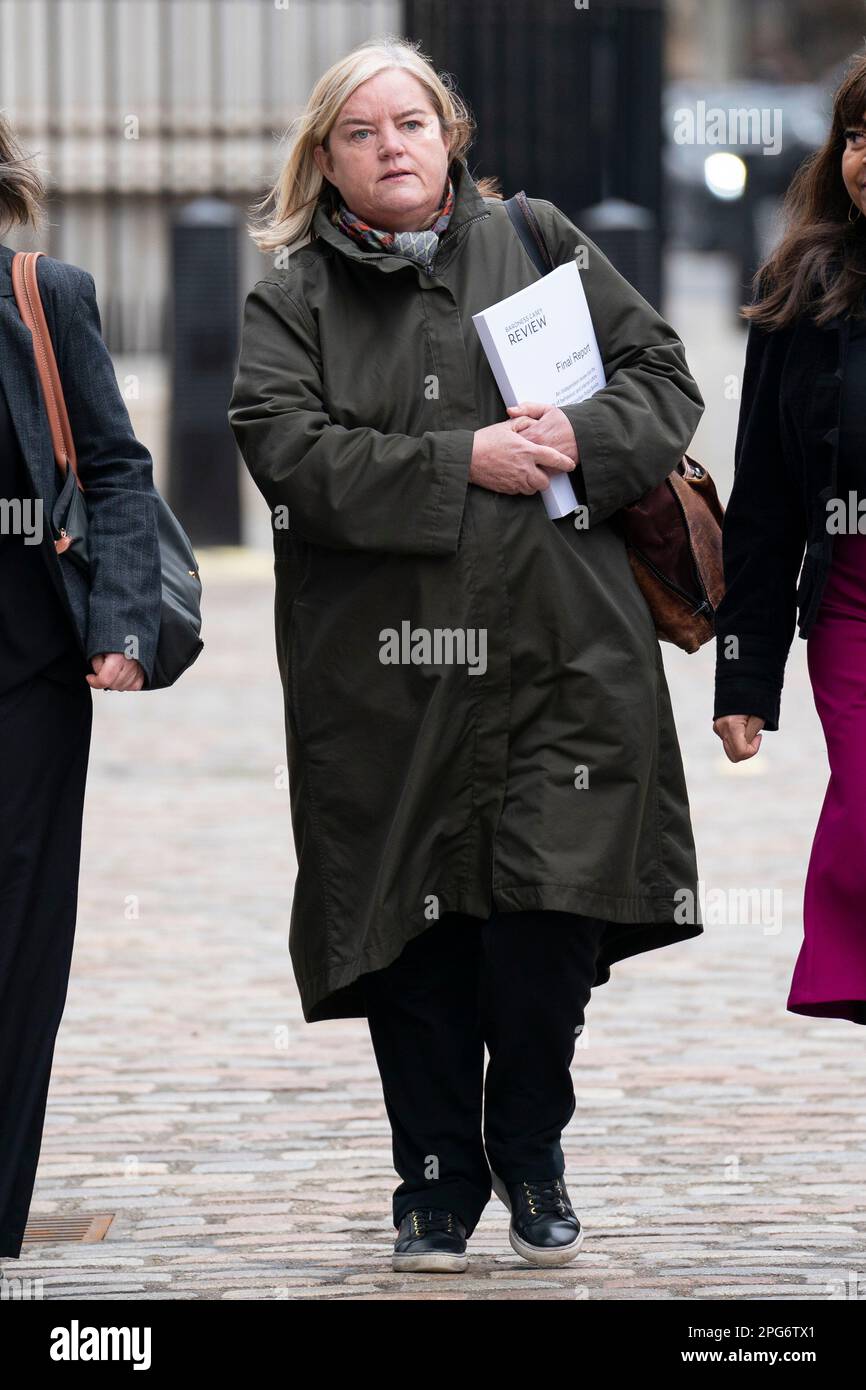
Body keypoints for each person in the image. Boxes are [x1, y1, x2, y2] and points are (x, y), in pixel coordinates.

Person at [229, 35, 705, 1272]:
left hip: (566, 654)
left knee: (552, 916)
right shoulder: (293, 292)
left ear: (451, 136)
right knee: (417, 930)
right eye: (360, 132)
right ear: (324, 161)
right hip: (384, 675)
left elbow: (661, 376)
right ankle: (432, 1182)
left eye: (411, 124)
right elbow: (283, 446)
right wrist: (461, 460)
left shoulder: (539, 240)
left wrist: (582, 431)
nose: (391, 147)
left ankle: (529, 1140)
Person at [0, 113, 162, 1260]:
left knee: (14, 935)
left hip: (25, 668)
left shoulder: (43, 295)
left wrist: (122, 624)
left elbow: (112, 466)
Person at [713, 54, 866, 1026]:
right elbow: (761, 503)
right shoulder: (799, 287)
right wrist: (742, 680)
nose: (865, 157)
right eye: (855, 135)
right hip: (853, 604)